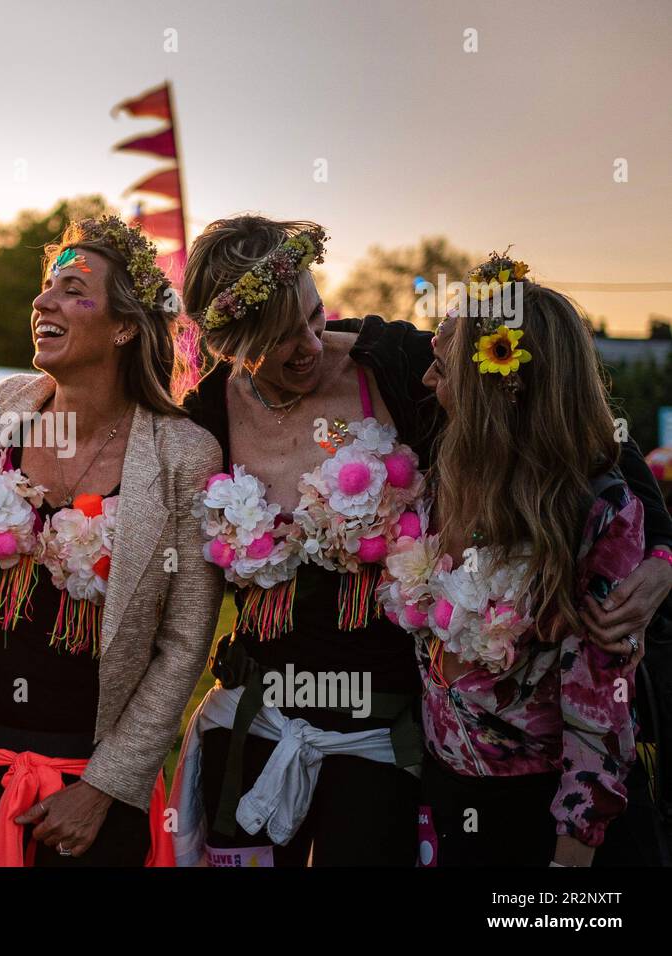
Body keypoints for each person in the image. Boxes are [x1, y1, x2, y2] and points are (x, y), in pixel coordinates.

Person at [167, 215, 672, 866]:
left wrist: (661, 548)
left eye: (314, 318)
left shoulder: (398, 362)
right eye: (275, 341)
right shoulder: (206, 417)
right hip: (259, 711)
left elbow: (565, 424)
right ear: (227, 343)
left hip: (388, 731)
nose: (308, 348)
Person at [0, 216, 223, 866]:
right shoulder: (12, 403)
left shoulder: (184, 454)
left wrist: (102, 788)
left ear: (126, 325)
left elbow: (183, 645)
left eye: (71, 289)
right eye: (46, 287)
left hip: (88, 779)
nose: (42, 302)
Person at [378, 258, 644, 865]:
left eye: (442, 368)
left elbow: (602, 715)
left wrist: (569, 862)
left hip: (546, 818)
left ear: (497, 384)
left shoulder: (596, 513)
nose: (424, 380)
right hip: (447, 799)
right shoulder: (440, 485)